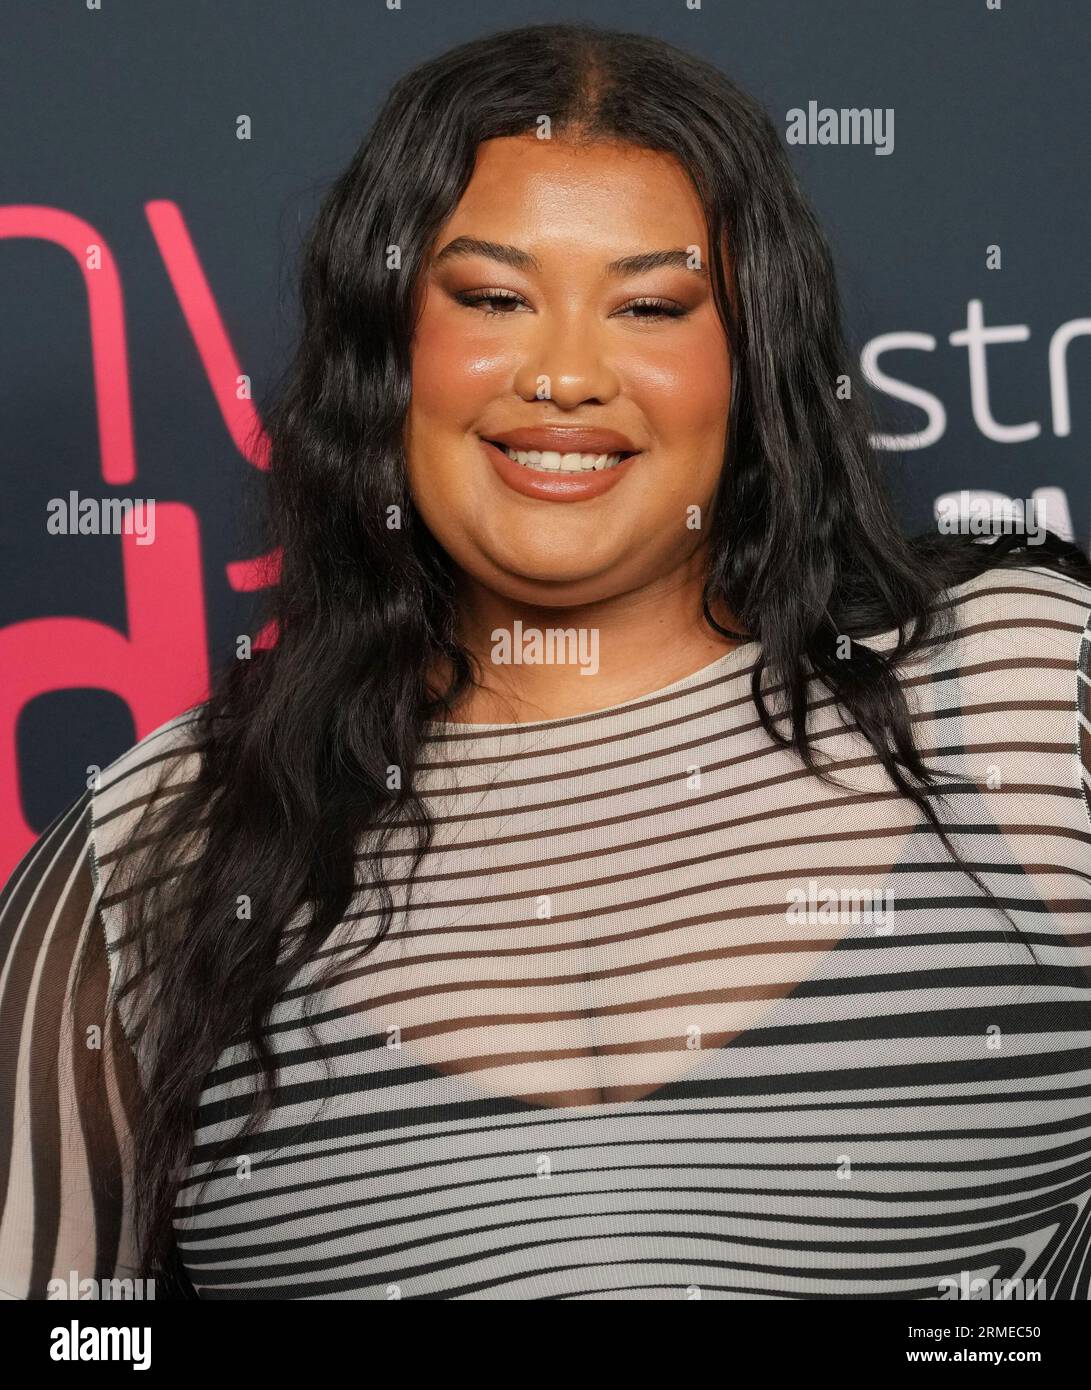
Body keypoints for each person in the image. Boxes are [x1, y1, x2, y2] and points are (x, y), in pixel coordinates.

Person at [3, 21, 1091, 1302]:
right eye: (492, 298)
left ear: (750, 363)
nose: (565, 375)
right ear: (384, 349)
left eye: (648, 305)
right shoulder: (158, 847)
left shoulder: (1026, 695)